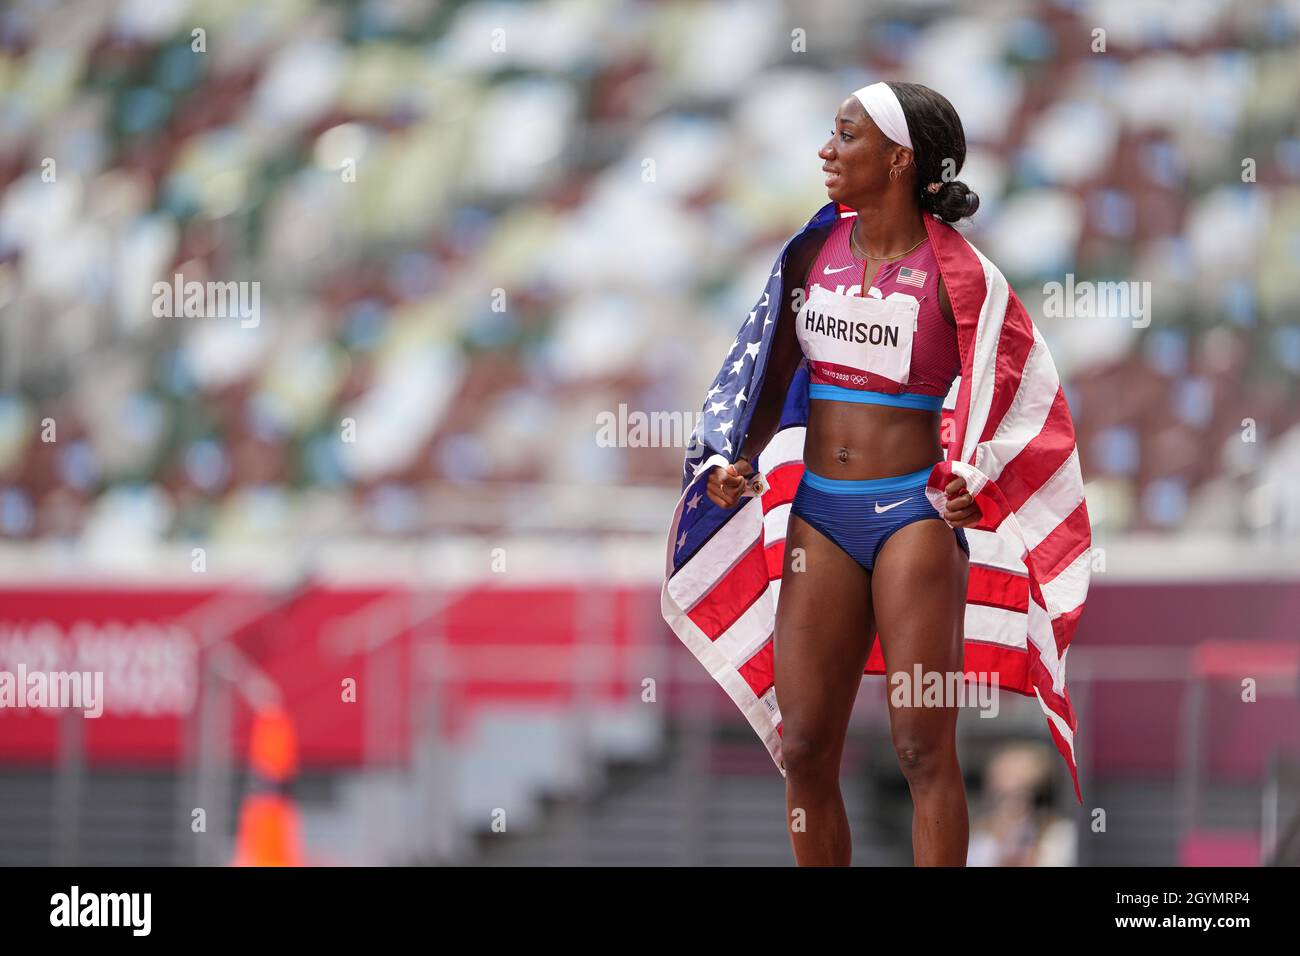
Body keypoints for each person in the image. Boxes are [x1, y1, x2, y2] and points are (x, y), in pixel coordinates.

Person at [704, 81, 981, 866]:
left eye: (846, 136)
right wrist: (739, 457)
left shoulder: (963, 277)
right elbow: (768, 368)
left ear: (899, 160)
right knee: (806, 746)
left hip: (914, 517)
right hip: (820, 514)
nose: (827, 150)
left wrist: (976, 474)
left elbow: (1010, 398)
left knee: (922, 749)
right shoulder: (810, 252)